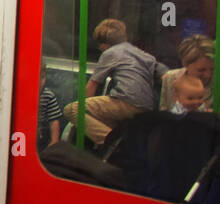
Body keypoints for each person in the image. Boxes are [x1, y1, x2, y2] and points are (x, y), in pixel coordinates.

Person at [63, 18, 167, 147]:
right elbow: (166, 76)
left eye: (100, 45)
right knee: (104, 120)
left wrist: (83, 109)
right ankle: (116, 139)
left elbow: (93, 84)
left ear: (103, 44)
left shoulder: (110, 53)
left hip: (125, 100)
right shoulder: (144, 55)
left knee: (73, 109)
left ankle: (112, 142)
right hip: (146, 106)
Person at [160, 35, 214, 113]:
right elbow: (164, 112)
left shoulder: (216, 83)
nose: (208, 75)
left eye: (212, 69)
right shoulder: (170, 78)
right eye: (201, 70)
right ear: (185, 64)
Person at [38, 70, 63, 149]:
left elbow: (54, 121)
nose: (40, 81)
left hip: (39, 135)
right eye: (37, 77)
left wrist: (54, 141)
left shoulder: (48, 95)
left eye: (42, 77)